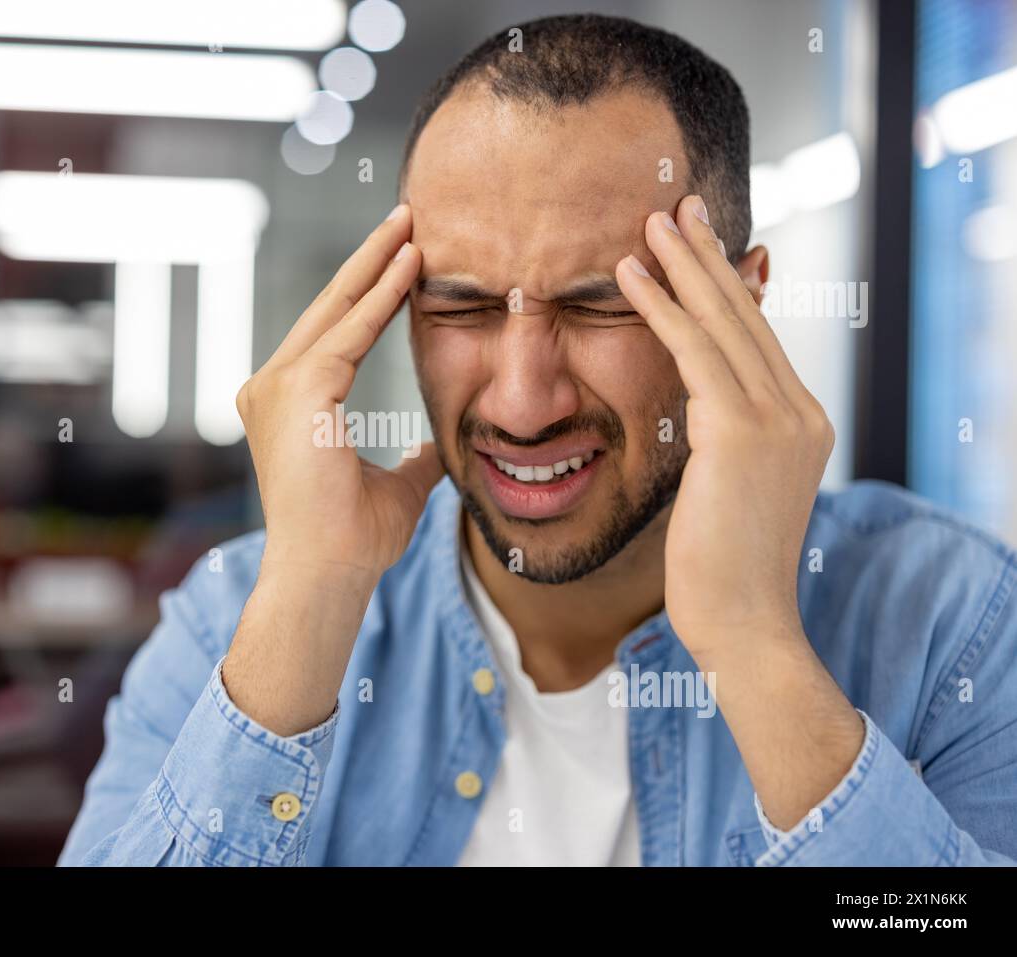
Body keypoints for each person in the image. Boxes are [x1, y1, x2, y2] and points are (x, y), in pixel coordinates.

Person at [59, 13, 1017, 866]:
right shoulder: (236, 619)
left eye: (603, 306)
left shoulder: (955, 624)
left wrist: (755, 648)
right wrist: (308, 604)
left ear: (745, 301)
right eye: (461, 305)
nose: (522, 403)